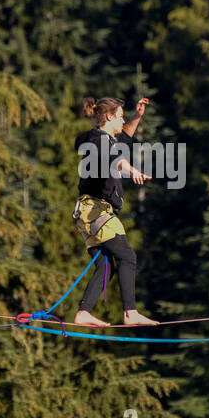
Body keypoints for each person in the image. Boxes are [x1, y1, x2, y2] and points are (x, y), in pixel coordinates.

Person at [71, 96, 159, 327]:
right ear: (109, 117)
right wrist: (133, 171)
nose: (123, 121)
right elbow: (115, 161)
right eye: (120, 116)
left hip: (88, 214)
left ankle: (83, 313)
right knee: (127, 257)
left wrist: (137, 116)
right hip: (97, 211)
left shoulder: (105, 138)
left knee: (106, 265)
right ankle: (130, 312)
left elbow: (125, 136)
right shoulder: (99, 140)